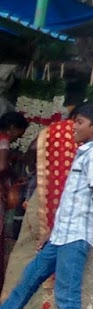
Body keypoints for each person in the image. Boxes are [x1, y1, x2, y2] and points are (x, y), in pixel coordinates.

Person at [0, 102, 93, 309]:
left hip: (75, 238)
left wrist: (90, 222)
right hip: (60, 235)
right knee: (25, 284)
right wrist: (54, 229)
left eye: (80, 122)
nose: (74, 126)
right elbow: (72, 198)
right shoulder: (82, 152)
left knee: (68, 301)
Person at [0, 113, 77, 309]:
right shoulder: (87, 140)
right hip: (58, 213)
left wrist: (38, 165)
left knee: (25, 259)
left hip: (40, 204)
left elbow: (34, 149)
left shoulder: (51, 135)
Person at [0, 111, 29, 281]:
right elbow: (1, 166)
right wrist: (15, 176)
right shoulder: (3, 139)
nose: (17, 138)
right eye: (19, 133)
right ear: (12, 128)